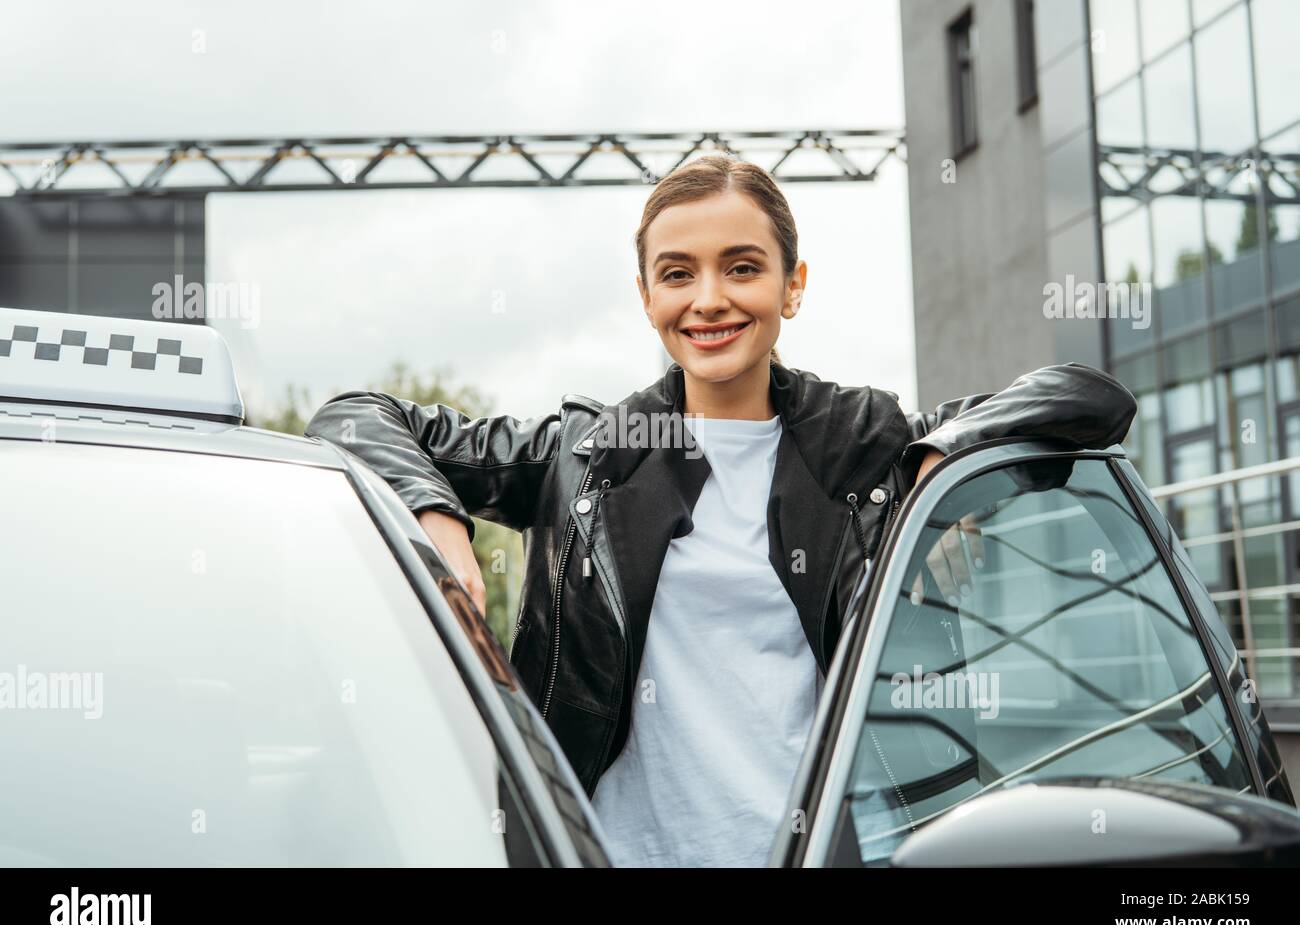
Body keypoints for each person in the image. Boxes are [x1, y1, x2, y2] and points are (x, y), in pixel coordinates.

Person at [304, 154, 1137, 867]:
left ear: (792, 285)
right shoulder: (589, 453)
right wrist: (440, 523)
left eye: (742, 267)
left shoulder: (868, 442)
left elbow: (1089, 399)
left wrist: (932, 467)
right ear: (646, 295)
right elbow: (354, 415)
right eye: (678, 273)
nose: (709, 299)